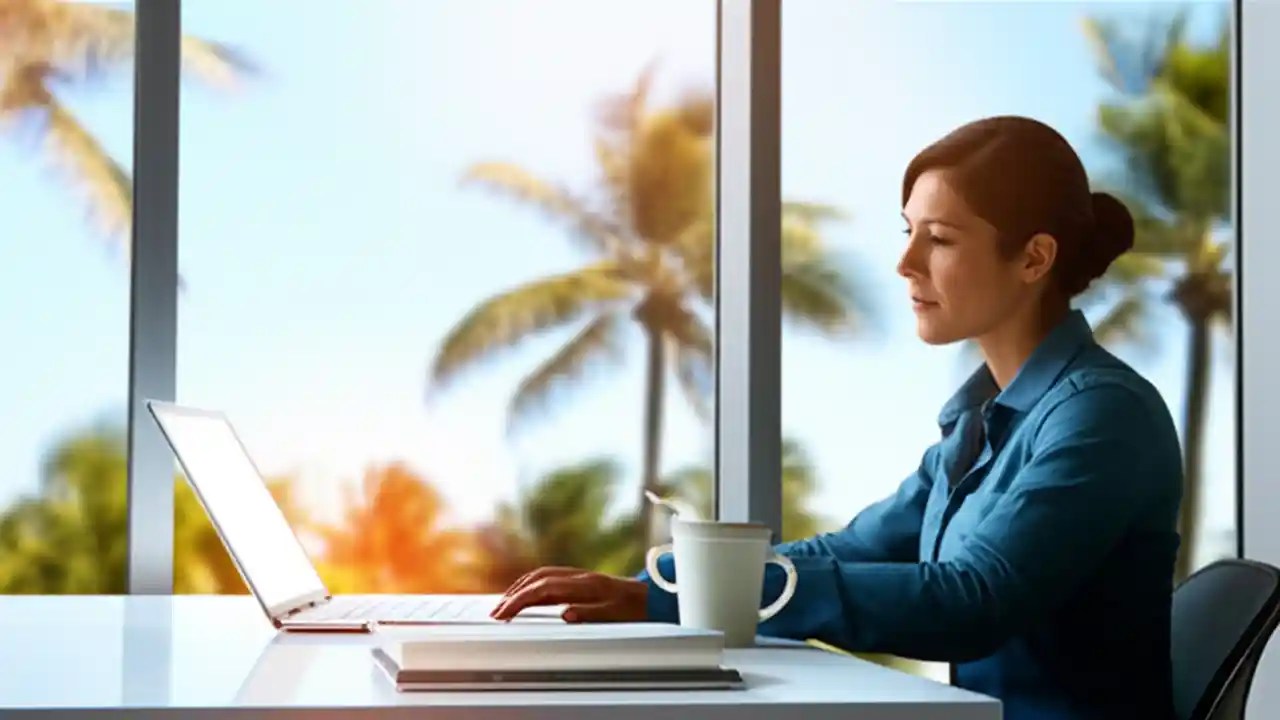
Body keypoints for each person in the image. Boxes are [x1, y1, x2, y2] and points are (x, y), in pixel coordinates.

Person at [489, 115, 1183, 720]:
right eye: (908, 232)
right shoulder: (980, 421)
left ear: (1033, 257)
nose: (905, 262)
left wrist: (697, 596)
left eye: (939, 239)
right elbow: (849, 552)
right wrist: (658, 590)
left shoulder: (1100, 415)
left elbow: (973, 600)